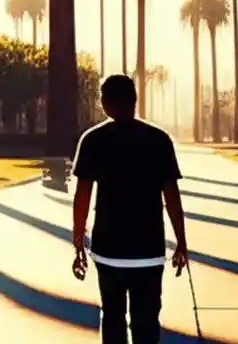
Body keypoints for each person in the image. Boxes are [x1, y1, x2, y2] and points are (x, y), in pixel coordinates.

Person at [71, 74, 188, 344]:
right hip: (149, 252)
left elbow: (83, 195)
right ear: (134, 101)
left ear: (105, 103)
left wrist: (78, 240)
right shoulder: (159, 140)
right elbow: (171, 195)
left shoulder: (93, 140)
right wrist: (181, 241)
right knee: (146, 322)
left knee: (112, 317)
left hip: (108, 251)